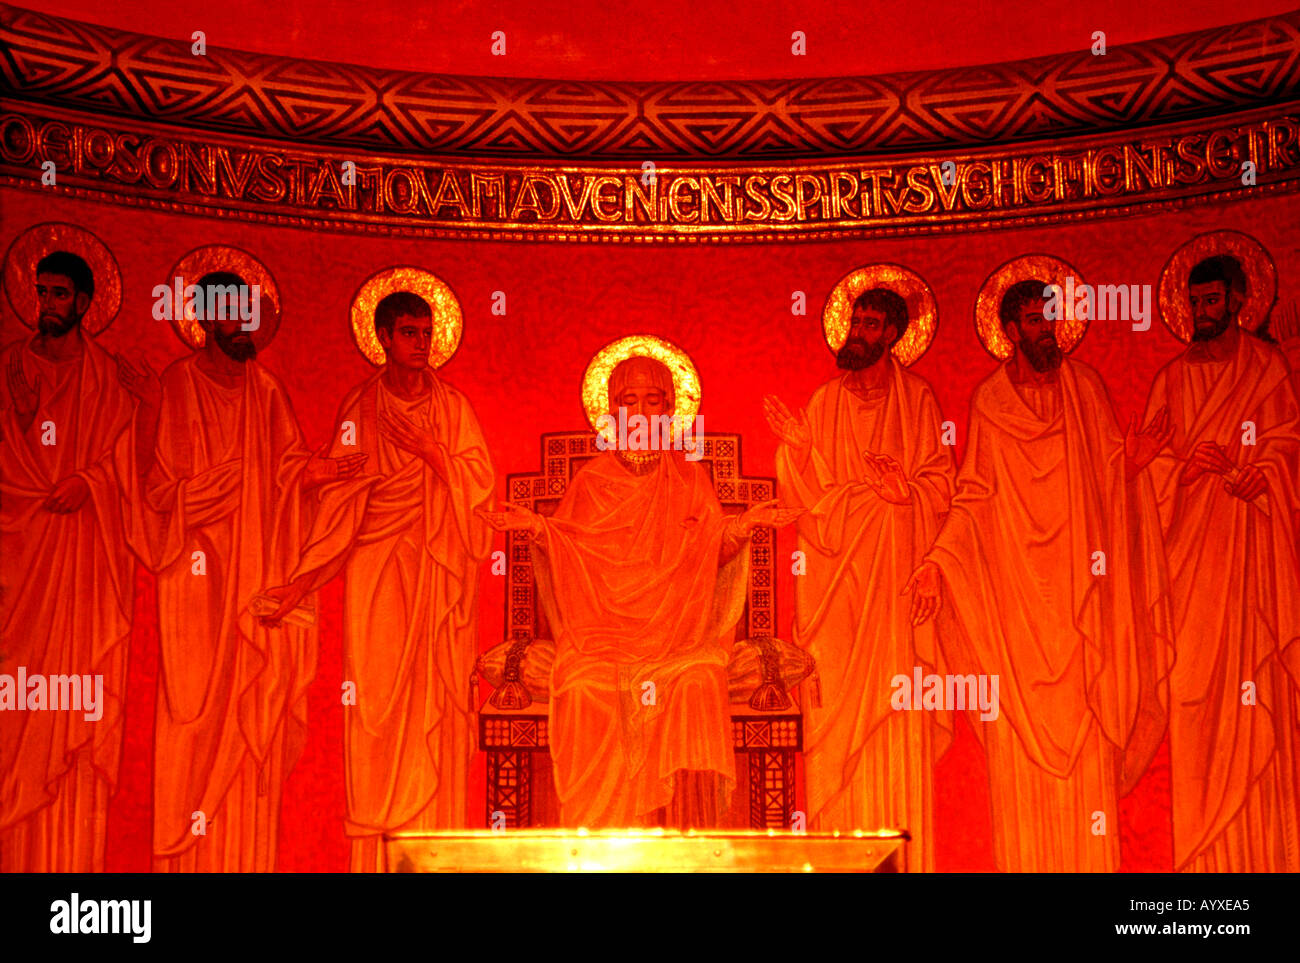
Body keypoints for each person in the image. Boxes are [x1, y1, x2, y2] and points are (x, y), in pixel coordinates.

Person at [906, 278, 1173, 871]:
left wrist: (1130, 468)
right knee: (1020, 772)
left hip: (1083, 612)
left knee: (1088, 763)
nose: (1044, 330)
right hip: (1015, 617)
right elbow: (972, 496)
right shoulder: (991, 404)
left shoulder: (1085, 390)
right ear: (1010, 331)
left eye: (1050, 319)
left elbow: (1108, 476)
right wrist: (937, 561)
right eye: (1031, 320)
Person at [481, 354, 799, 828]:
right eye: (630, 402)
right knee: (585, 689)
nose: (642, 412)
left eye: (654, 401)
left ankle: (688, 844)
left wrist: (743, 526)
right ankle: (598, 847)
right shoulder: (590, 483)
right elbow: (571, 547)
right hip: (601, 640)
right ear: (612, 413)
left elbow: (710, 550)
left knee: (699, 683)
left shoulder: (691, 480)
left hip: (679, 642)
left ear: (671, 411)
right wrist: (537, 529)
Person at [115, 271, 361, 871]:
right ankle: (181, 857)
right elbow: (151, 490)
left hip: (253, 569)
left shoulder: (266, 389)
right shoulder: (175, 385)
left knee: (252, 716)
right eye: (229, 313)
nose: (241, 325)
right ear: (202, 319)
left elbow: (287, 470)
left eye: (247, 313)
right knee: (193, 714)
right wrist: (205, 488)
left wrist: (318, 474)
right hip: (195, 582)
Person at [260, 291, 494, 871]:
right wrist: (299, 583)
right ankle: (376, 857)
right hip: (376, 573)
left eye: (427, 331)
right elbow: (341, 502)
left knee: (433, 709)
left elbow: (479, 491)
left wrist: (434, 454)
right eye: (409, 332)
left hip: (439, 576)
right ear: (383, 338)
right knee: (375, 711)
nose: (422, 343)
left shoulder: (453, 409)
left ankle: (436, 855)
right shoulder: (360, 409)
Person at [765, 287, 955, 870]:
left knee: (896, 726)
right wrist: (798, 453)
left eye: (872, 324)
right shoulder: (824, 403)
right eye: (856, 321)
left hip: (896, 590)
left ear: (893, 334)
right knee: (833, 742)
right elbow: (811, 505)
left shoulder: (917, 400)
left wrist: (907, 496)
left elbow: (944, 484)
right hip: (838, 597)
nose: (859, 332)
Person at [1139, 255, 1300, 872]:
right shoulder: (1171, 380)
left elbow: (1287, 442)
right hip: (1189, 573)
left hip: (1254, 562)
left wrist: (1260, 475)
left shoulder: (1267, 367)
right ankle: (1202, 871)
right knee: (1196, 701)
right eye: (1195, 303)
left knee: (1258, 700)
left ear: (1237, 301)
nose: (1203, 314)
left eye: (1213, 302)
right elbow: (1148, 467)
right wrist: (1182, 470)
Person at [0, 250, 135, 871]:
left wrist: (91, 481)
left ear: (84, 303)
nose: (46, 305)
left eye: (59, 295)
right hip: (21, 565)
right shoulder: (8, 370)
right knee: (19, 706)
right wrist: (22, 425)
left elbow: (128, 463)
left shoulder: (107, 376)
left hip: (84, 563)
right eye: (41, 292)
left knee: (76, 711)